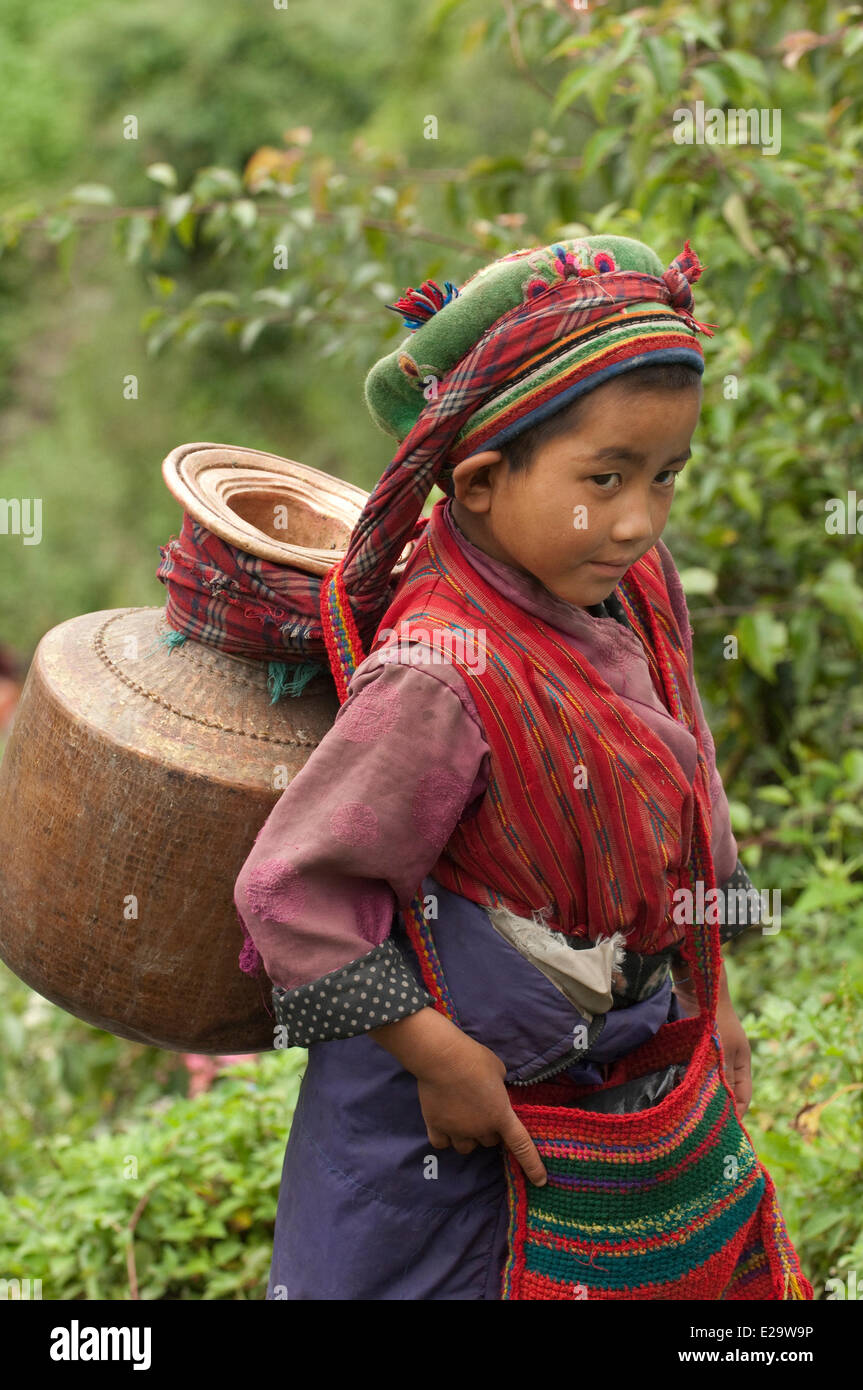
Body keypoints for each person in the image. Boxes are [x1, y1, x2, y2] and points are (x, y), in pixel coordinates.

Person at [233, 234, 810, 1300]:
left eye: (664, 477)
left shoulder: (628, 587)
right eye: (604, 479)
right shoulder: (440, 673)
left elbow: (682, 768)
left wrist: (705, 991)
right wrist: (434, 1055)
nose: (639, 519)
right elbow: (289, 887)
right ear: (484, 480)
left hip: (611, 1065)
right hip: (436, 1112)